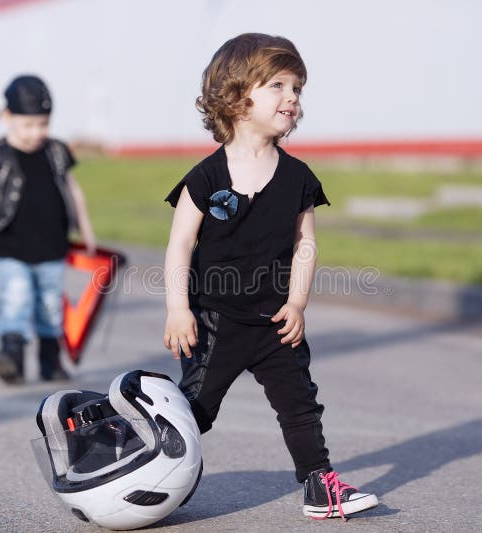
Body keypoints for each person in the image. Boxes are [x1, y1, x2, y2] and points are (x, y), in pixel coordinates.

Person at [163, 33, 378, 520]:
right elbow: (179, 244)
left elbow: (306, 243)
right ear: (237, 97)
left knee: (301, 405)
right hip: (216, 320)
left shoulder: (300, 177)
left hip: (276, 321)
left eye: (298, 88)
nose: (292, 98)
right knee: (194, 410)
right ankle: (133, 461)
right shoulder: (206, 177)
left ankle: (320, 485)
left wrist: (297, 303)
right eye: (278, 85)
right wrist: (178, 309)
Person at [0, 74, 96, 385]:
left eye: (43, 124)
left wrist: (86, 231)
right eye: (28, 125)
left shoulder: (58, 151)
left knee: (50, 305)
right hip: (11, 246)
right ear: (8, 117)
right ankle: (11, 356)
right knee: (17, 297)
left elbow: (74, 192)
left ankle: (50, 361)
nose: (37, 132)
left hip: (52, 246)